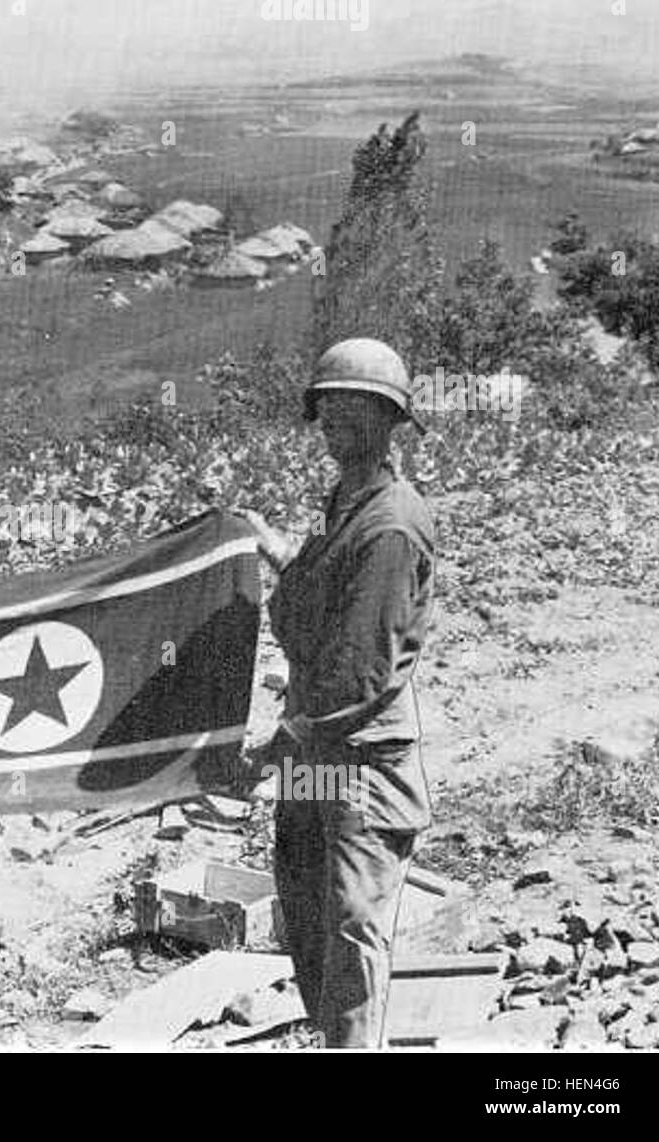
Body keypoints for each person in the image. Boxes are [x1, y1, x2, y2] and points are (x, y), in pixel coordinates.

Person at [237, 338, 436, 1049]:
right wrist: (273, 547)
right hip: (317, 755)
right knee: (309, 914)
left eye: (355, 406)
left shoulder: (390, 524)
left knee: (351, 932)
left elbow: (358, 669)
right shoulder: (349, 502)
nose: (334, 419)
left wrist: (271, 749)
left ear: (391, 420)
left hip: (360, 763)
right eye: (326, 406)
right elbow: (324, 589)